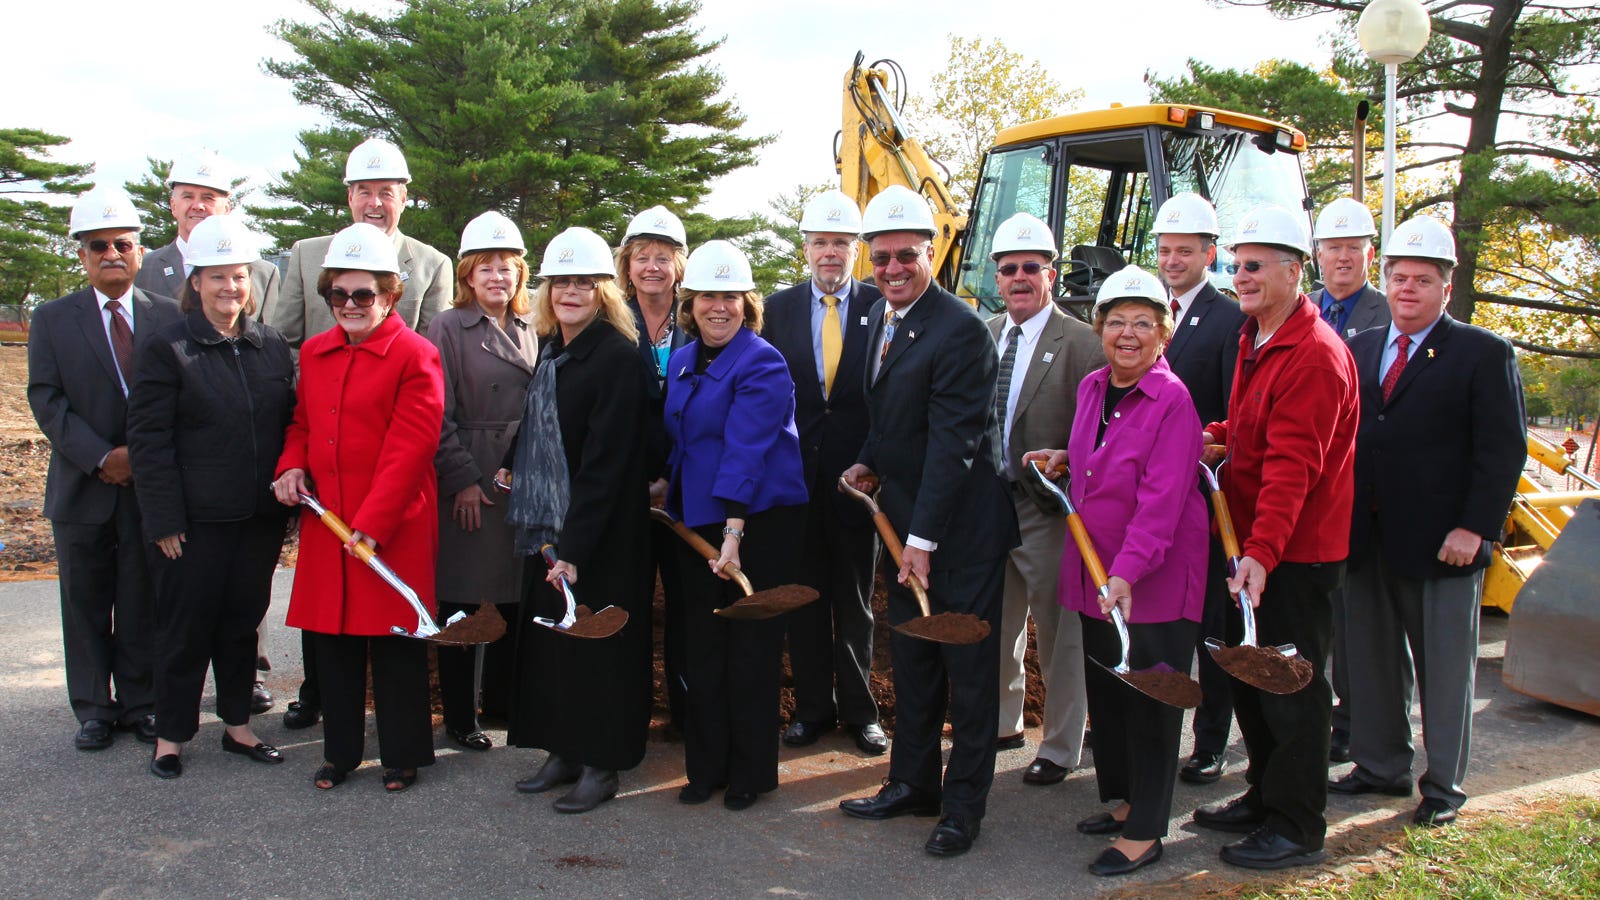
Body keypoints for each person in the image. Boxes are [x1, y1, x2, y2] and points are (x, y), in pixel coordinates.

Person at [839, 185, 1019, 858]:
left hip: (961, 534)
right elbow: (890, 419)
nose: (891, 268)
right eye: (880, 257)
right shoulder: (881, 320)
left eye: (905, 256)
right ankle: (911, 782)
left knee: (967, 671)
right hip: (910, 518)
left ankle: (962, 807)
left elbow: (955, 443)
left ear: (931, 252)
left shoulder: (961, 330)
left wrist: (921, 541)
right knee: (914, 661)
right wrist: (865, 461)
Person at [1331, 217, 1525, 827]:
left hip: (1446, 545)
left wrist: (1477, 527)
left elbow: (1502, 450)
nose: (1407, 289)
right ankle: (1380, 764)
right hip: (1368, 539)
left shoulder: (1482, 352)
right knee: (1371, 660)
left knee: (1444, 669)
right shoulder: (1360, 349)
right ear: (1384, 280)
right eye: (1398, 278)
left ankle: (1443, 785)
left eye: (1421, 280)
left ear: (1446, 286)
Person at [265, 136, 453, 733]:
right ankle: (338, 746)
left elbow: (412, 437)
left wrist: (374, 517)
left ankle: (402, 752)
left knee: (393, 631)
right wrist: (292, 462)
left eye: (386, 191)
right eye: (339, 293)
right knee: (331, 629)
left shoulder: (426, 288)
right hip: (329, 501)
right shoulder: (309, 268)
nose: (349, 302)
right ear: (350, 196)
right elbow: (286, 359)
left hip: (385, 507)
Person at [1190, 205, 1358, 870]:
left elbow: (1295, 467)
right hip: (1249, 546)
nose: (1241, 275)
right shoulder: (1256, 336)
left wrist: (1262, 554)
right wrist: (1221, 439)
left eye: (1254, 266)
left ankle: (1296, 824)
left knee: (1290, 687)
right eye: (1236, 265)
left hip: (1292, 554)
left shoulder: (1314, 356)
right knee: (1251, 679)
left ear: (1294, 271)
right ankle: (1264, 794)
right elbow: (1254, 426)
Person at [1027, 266, 1207, 877]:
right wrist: (1063, 461)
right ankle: (1127, 801)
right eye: (1116, 322)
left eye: (1143, 323)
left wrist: (1127, 573)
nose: (1127, 334)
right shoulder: (1094, 387)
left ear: (1164, 331)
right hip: (1097, 574)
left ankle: (1148, 831)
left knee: (1152, 702)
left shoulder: (1173, 400)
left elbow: (1161, 500)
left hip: (1149, 580)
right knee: (1111, 694)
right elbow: (1096, 463)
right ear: (1100, 328)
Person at [126, 214, 295, 779]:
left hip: (257, 518)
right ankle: (171, 734)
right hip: (192, 522)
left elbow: (287, 424)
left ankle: (237, 727)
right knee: (184, 624)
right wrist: (163, 518)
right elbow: (148, 440)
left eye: (239, 276)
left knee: (241, 620)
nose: (231, 288)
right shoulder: (167, 348)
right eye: (217, 277)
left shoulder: (269, 344)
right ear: (195, 282)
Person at [500, 227, 653, 814]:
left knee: (597, 646)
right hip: (550, 526)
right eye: (560, 281)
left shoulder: (615, 356)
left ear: (604, 291)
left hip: (600, 534)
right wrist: (509, 469)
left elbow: (607, 465)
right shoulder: (558, 347)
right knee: (554, 644)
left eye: (582, 282)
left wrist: (575, 548)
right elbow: (541, 429)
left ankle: (601, 763)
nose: (569, 291)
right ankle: (562, 750)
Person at [27, 185, 182, 752]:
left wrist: (138, 459)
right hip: (81, 486)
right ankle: (94, 706)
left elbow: (180, 399)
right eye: (98, 246)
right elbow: (47, 401)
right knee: (85, 600)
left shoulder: (169, 317)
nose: (111, 253)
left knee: (142, 597)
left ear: (140, 250)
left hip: (149, 487)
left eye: (123, 243)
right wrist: (101, 457)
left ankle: (141, 702)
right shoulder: (52, 319)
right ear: (82, 254)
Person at [663, 240, 808, 812]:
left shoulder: (763, 361)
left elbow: (745, 450)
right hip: (695, 525)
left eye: (729, 296)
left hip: (753, 526)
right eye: (706, 296)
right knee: (702, 648)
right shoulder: (680, 361)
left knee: (749, 648)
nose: (717, 307)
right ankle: (706, 768)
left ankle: (749, 772)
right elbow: (680, 442)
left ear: (747, 303)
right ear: (690, 303)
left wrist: (733, 534)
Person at [761, 190, 886, 755]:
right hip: (795, 482)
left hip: (859, 483)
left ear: (856, 249)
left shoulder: (882, 307)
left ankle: (861, 712)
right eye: (820, 243)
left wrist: (876, 464)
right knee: (805, 599)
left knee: (856, 601)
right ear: (804, 248)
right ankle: (812, 709)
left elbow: (890, 399)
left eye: (841, 243)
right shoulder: (775, 309)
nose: (830, 253)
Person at [984, 212, 1100, 783]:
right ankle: (1004, 723)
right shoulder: (985, 334)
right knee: (999, 624)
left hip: (1050, 507)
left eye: (1032, 267)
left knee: (1059, 631)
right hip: (991, 504)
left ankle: (1059, 745)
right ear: (996, 276)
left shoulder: (1081, 343)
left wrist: (1069, 469)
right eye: (1009, 269)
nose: (1020, 277)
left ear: (1051, 274)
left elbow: (1103, 431)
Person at [426, 211, 538, 753]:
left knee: (514, 596)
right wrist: (463, 480)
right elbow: (435, 413)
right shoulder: (447, 327)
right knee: (463, 599)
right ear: (468, 274)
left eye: (508, 267)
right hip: (472, 475)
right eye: (487, 267)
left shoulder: (530, 326)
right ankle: (458, 715)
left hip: (521, 475)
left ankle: (503, 701)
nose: (498, 276)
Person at [1150, 192, 1245, 787]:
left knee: (1213, 624)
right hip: (1152, 494)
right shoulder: (1141, 310)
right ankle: (1149, 718)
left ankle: (1209, 740)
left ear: (1210, 253)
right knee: (1160, 616)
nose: (1173, 260)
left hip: (1205, 496)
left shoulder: (1231, 321)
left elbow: (1235, 410)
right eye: (1165, 250)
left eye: (1185, 250)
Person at [1309, 197, 1390, 764]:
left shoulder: (1390, 314)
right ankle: (1312, 714)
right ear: (1316, 255)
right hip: (1303, 493)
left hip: (1358, 490)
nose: (1341, 258)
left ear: (1370, 254)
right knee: (1313, 621)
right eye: (1332, 247)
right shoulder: (1300, 308)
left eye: (1351, 248)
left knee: (1358, 623)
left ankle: (1354, 722)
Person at [615, 204, 693, 737]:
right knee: (630, 605)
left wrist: (670, 476)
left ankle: (686, 715)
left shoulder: (699, 319)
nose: (651, 267)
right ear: (626, 264)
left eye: (662, 257)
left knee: (687, 608)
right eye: (641, 257)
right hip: (625, 485)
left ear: (679, 266)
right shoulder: (611, 318)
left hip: (686, 484)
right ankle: (630, 710)